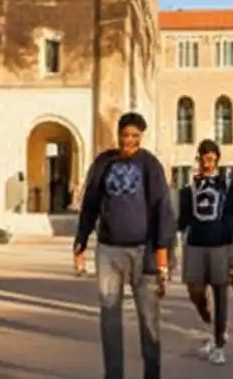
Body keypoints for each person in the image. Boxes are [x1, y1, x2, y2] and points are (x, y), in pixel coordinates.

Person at [74, 112, 174, 379]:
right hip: (109, 251)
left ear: (141, 137)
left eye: (134, 136)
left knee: (148, 319)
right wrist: (80, 243)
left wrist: (162, 259)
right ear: (118, 134)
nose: (128, 141)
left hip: (144, 252)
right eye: (125, 135)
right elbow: (90, 204)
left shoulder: (150, 165)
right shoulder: (103, 162)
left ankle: (152, 374)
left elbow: (162, 209)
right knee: (109, 317)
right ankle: (113, 375)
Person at [176, 139, 233, 366]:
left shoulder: (228, 186)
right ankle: (211, 321)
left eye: (212, 158)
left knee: (220, 293)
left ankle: (218, 344)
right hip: (195, 243)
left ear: (217, 160)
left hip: (220, 244)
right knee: (194, 290)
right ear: (199, 159)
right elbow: (182, 219)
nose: (208, 162)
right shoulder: (190, 187)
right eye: (205, 158)